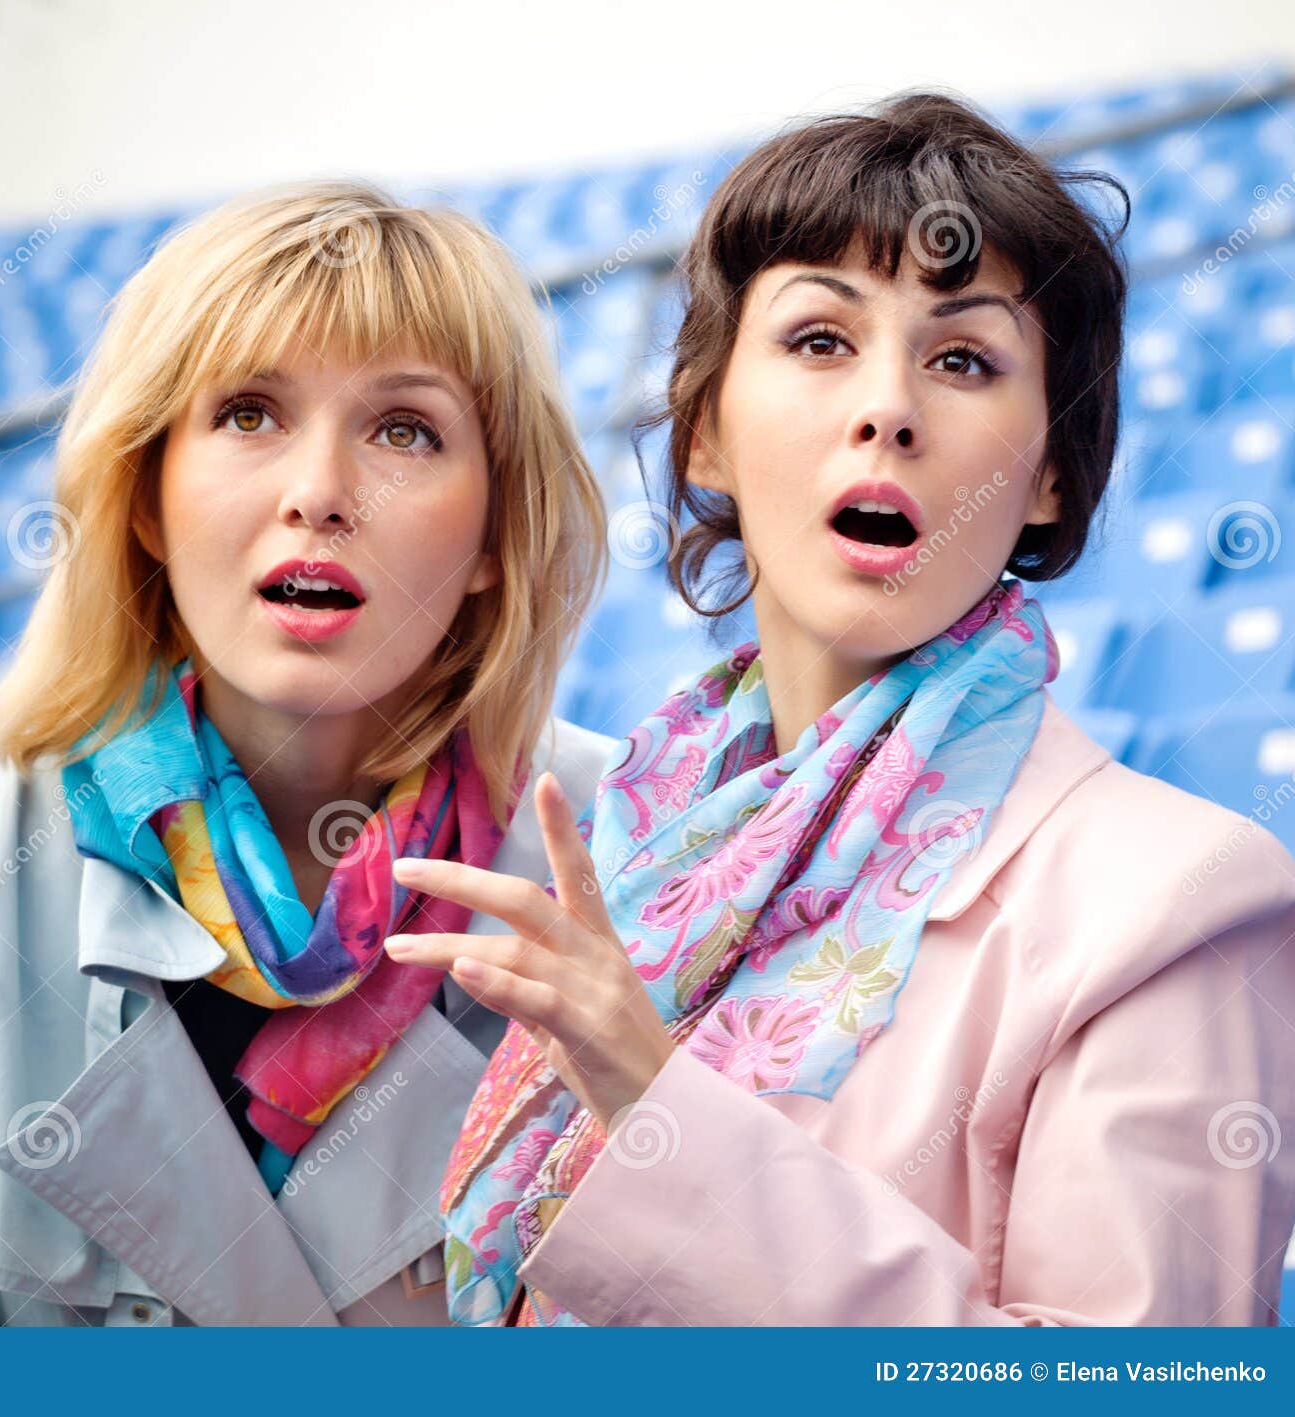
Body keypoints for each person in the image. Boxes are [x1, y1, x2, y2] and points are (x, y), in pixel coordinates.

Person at [385, 93, 1295, 1326]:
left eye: (963, 358)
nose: (888, 407)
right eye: (819, 340)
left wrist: (663, 1121)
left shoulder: (1178, 901)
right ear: (704, 432)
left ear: (1051, 476)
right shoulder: (629, 836)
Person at [0, 181, 612, 1326]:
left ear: (492, 538)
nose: (318, 493)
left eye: (404, 430)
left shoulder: (632, 847)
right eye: (249, 414)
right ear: (147, 499)